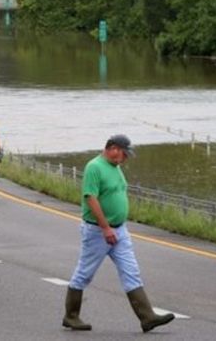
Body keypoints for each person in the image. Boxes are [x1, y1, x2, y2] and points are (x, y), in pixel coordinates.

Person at [62, 134, 174, 333]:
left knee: (131, 271)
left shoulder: (116, 167)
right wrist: (105, 227)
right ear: (113, 148)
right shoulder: (94, 167)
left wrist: (116, 224)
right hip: (97, 231)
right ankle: (71, 316)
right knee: (84, 273)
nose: (125, 158)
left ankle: (147, 317)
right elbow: (91, 198)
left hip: (120, 230)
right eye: (123, 154)